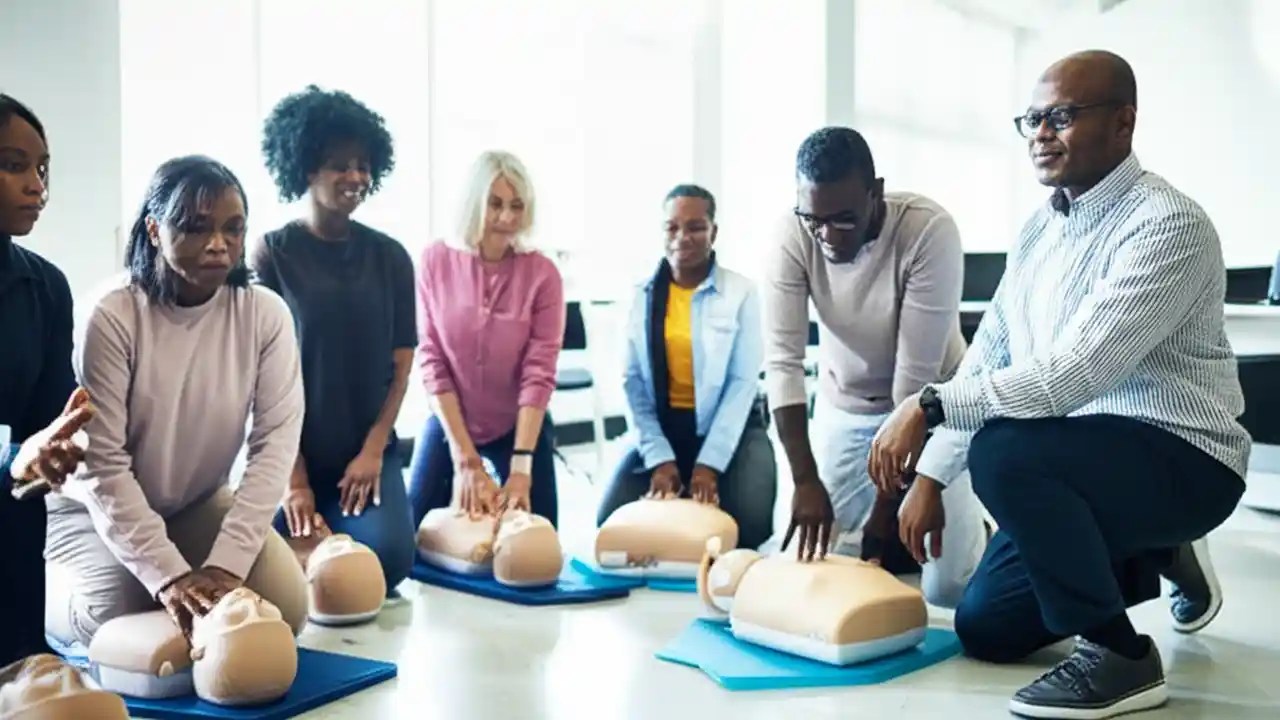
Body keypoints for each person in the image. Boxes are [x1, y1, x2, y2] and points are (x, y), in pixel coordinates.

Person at [869, 50, 1249, 719]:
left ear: (1123, 123)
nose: (1041, 134)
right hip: (1088, 465)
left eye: (1062, 118)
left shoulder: (1168, 225)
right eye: (1033, 119)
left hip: (1185, 460)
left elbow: (1073, 377)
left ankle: (1120, 657)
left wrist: (927, 407)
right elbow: (989, 355)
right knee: (986, 628)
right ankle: (1155, 551)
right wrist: (930, 477)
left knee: (1005, 452)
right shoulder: (1041, 229)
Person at [44, 155, 309, 648]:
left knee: (287, 607)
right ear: (153, 229)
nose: (218, 244)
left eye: (233, 229)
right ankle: (38, 587)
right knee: (116, 615)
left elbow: (274, 445)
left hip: (195, 501)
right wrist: (167, 576)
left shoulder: (264, 313)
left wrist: (226, 565)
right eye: (195, 227)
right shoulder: (114, 313)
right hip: (90, 506)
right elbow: (104, 464)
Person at [762, 126, 988, 608]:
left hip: (930, 409)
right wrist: (805, 479)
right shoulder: (792, 232)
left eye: (842, 220)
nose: (825, 235)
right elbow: (782, 362)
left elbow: (914, 382)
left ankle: (980, 531)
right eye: (813, 219)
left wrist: (883, 518)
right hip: (845, 404)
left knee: (948, 591)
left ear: (876, 193)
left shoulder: (928, 230)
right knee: (808, 564)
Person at [252, 86, 416, 598]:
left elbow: (402, 367)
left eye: (363, 166)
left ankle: (333, 541)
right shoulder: (271, 254)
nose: (356, 178)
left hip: (364, 456)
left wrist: (372, 453)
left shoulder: (390, 257)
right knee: (266, 571)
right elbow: (262, 379)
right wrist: (292, 480)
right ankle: (320, 538)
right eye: (339, 165)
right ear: (305, 169)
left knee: (388, 562)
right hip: (291, 452)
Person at [597, 184, 776, 549]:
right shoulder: (639, 293)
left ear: (714, 231)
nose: (683, 237)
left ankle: (695, 496)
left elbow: (742, 384)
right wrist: (659, 457)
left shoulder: (741, 292)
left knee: (750, 527)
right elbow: (631, 383)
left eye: (695, 227)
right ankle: (677, 497)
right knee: (610, 522)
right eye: (672, 227)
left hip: (733, 428)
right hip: (664, 428)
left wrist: (709, 464)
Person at [408, 150, 565, 529]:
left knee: (538, 539)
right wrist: (466, 460)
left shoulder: (543, 274)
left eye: (516, 205)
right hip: (453, 419)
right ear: (474, 204)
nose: (507, 217)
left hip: (518, 424)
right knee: (410, 535)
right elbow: (432, 362)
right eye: (495, 204)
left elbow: (538, 372)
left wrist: (522, 465)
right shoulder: (434, 261)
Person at [0, 94, 93, 665]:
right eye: (13, 166)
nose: (37, 185)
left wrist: (55, 450)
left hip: (12, 516)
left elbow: (42, 430)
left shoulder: (47, 287)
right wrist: (15, 455)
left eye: (41, 168)